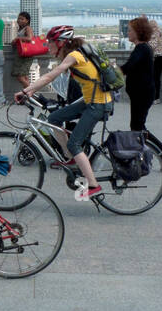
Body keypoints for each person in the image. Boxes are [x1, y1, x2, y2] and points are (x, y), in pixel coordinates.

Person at [15, 26, 112, 201]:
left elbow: (49, 76)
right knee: (53, 119)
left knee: (74, 143)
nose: (48, 46)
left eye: (50, 43)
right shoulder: (78, 53)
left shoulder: (74, 55)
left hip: (97, 103)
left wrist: (26, 90)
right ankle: (71, 157)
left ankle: (93, 184)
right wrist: (31, 91)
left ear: (60, 43)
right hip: (89, 99)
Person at [119, 17, 162, 164]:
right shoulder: (143, 48)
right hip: (141, 93)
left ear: (138, 32)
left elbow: (128, 66)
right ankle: (147, 155)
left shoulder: (142, 48)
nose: (127, 32)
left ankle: (158, 153)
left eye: (130, 30)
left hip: (142, 94)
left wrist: (113, 72)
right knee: (137, 127)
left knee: (138, 127)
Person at [11, 11, 36, 92]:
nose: (19, 20)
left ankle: (32, 92)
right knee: (25, 77)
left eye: (22, 19)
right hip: (22, 55)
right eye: (19, 18)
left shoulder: (28, 28)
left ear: (27, 20)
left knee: (20, 77)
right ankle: (28, 95)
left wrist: (17, 39)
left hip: (27, 55)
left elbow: (30, 38)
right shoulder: (21, 29)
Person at [147, 19, 162, 104]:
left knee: (153, 78)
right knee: (157, 78)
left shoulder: (152, 33)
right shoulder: (160, 32)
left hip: (155, 57)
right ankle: (156, 98)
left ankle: (154, 97)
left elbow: (152, 46)